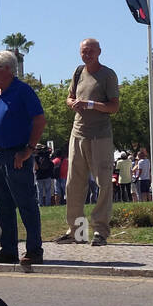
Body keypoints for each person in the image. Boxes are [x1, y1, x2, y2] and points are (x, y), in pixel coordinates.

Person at [0, 50, 45, 269]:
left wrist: (29, 149)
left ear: (7, 69)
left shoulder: (23, 91)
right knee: (3, 206)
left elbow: (39, 119)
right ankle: (8, 250)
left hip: (17, 154)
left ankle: (34, 250)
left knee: (26, 203)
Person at [56, 38, 119, 246]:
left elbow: (113, 107)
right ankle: (77, 232)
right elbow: (69, 97)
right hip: (78, 134)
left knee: (103, 184)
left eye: (91, 51)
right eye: (84, 51)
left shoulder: (108, 75)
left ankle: (100, 231)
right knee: (73, 184)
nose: (87, 54)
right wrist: (72, 103)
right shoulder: (77, 72)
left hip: (100, 136)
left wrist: (90, 104)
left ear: (99, 51)